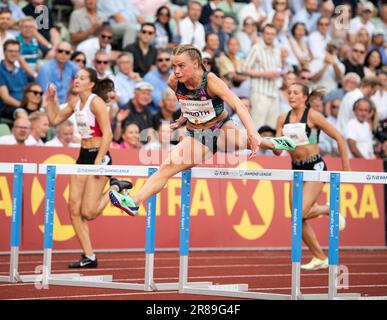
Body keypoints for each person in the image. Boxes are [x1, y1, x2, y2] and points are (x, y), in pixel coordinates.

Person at [108, 44, 296, 216]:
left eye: (181, 66)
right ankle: (134, 202)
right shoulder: (174, 81)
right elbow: (187, 101)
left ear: (196, 64)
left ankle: (270, 143)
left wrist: (255, 133)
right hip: (198, 135)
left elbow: (239, 105)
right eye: (174, 66)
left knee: (243, 141)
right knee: (166, 167)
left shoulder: (211, 80)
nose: (176, 71)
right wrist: (183, 118)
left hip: (221, 127)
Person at [45, 68, 132, 268]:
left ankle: (115, 188)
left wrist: (99, 159)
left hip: (99, 156)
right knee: (73, 209)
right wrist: (51, 100)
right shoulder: (76, 102)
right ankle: (89, 256)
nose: (77, 80)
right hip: (83, 156)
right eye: (76, 77)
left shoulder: (96, 102)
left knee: (89, 213)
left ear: (91, 84)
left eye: (82, 78)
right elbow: (54, 120)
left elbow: (108, 134)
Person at [274, 83, 350, 271]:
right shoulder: (282, 118)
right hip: (296, 170)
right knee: (296, 218)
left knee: (299, 213)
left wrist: (346, 169)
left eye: (296, 93)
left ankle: (327, 208)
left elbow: (339, 138)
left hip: (315, 167)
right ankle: (319, 256)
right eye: (289, 92)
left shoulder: (314, 116)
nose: (291, 95)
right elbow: (277, 151)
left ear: (305, 97)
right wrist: (271, 143)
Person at [243, 23, 282, 129]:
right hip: (259, 92)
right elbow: (245, 69)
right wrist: (265, 74)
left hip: (273, 92)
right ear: (263, 34)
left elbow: (278, 68)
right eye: (268, 33)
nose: (270, 36)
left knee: (272, 127)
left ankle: (268, 146)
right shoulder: (256, 48)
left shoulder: (277, 50)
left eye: (272, 34)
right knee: (258, 126)